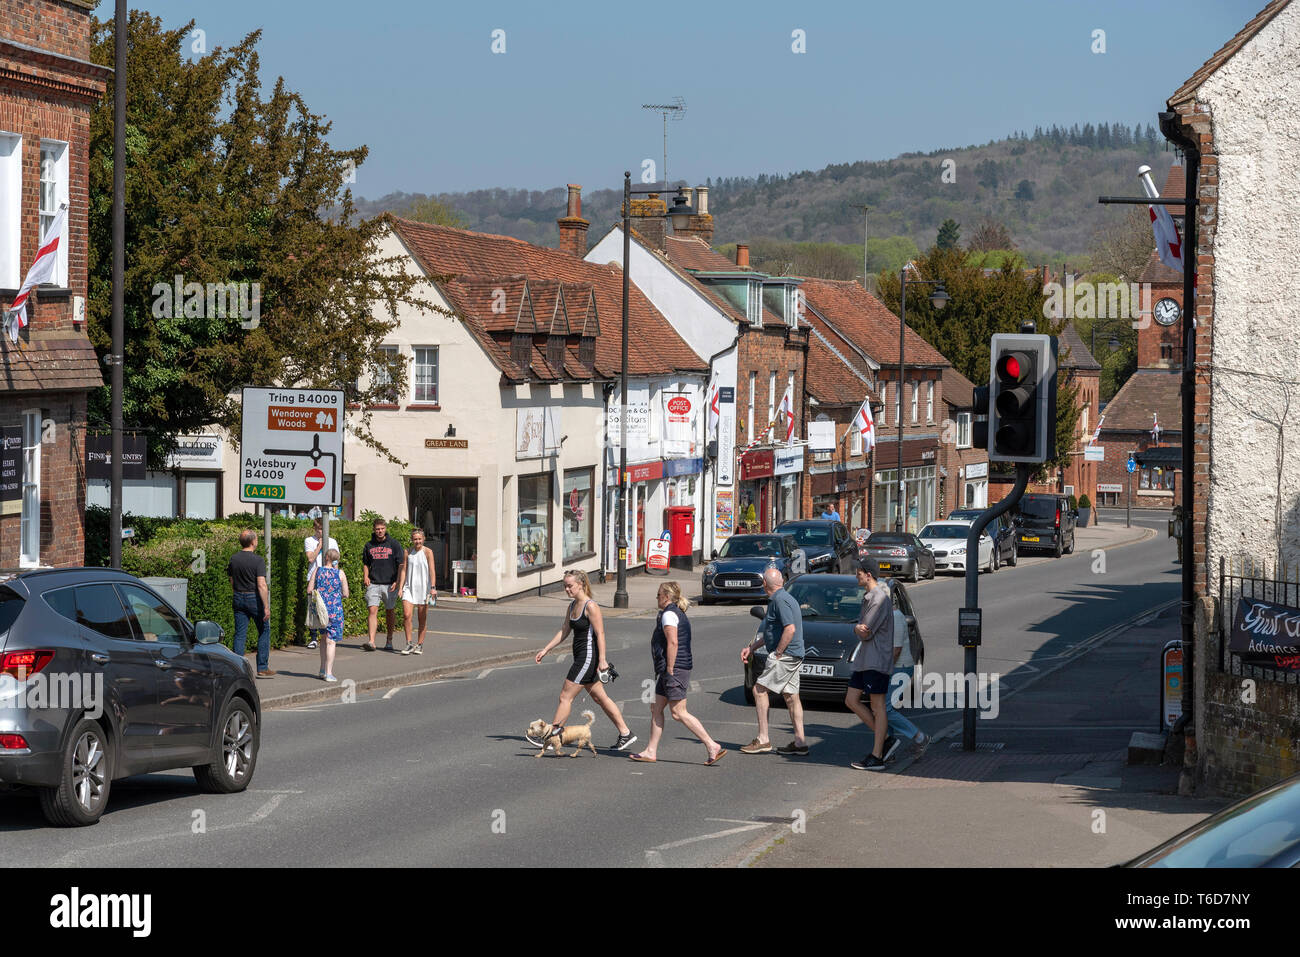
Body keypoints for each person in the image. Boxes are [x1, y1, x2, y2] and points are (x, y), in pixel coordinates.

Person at [533, 569, 636, 752]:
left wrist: (602, 660)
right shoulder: (572, 606)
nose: (567, 589)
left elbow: (600, 634)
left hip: (588, 658)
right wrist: (546, 649)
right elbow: (564, 630)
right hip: (580, 656)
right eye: (565, 586)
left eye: (570, 586)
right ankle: (626, 733)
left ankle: (552, 737)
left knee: (565, 696)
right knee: (600, 697)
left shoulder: (591, 606)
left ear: (580, 584)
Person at [629, 581, 726, 765]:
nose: (656, 598)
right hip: (669, 668)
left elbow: (673, 642)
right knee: (656, 708)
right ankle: (650, 750)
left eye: (658, 595)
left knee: (678, 712)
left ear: (666, 597)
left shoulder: (669, 615)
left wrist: (670, 668)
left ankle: (711, 745)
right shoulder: (674, 613)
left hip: (674, 668)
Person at [739, 567, 808, 755]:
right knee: (791, 697)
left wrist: (778, 653)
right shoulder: (782, 598)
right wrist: (752, 647)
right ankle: (800, 743)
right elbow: (772, 632)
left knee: (759, 690)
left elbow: (790, 629)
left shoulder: (780, 600)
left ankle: (763, 739)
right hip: (792, 654)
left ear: (764, 584)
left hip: (786, 655)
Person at [847, 561, 899, 771]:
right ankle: (885, 739)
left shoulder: (878, 599)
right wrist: (856, 628)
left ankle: (877, 756)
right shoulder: (869, 597)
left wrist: (856, 629)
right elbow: (860, 629)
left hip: (876, 660)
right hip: (865, 659)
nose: (856, 577)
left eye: (858, 574)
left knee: (878, 706)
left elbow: (865, 631)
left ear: (868, 575)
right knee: (851, 700)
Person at [227, 529, 275, 678]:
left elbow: (231, 580)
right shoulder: (258, 560)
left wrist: (237, 592)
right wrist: (266, 606)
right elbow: (261, 585)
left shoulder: (233, 559)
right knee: (264, 630)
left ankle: (237, 668)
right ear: (253, 542)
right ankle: (262, 667)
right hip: (253, 598)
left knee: (240, 634)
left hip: (238, 597)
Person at [886, 592, 929, 755]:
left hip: (899, 667)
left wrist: (885, 669)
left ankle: (919, 737)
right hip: (894, 667)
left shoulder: (896, 617)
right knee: (882, 709)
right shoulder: (887, 616)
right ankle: (887, 745)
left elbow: (896, 650)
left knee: (885, 708)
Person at [361, 518, 405, 651]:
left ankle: (389, 640)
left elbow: (401, 564)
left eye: (382, 529)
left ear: (385, 529)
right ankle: (371, 641)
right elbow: (365, 563)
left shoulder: (394, 544)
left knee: (389, 611)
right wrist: (365, 576)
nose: (380, 531)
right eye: (377, 529)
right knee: (372, 610)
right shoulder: (369, 545)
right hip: (374, 583)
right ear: (374, 530)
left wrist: (397, 581)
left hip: (389, 584)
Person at [308, 548, 349, 682]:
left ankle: (321, 669)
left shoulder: (317, 570)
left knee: (323, 639)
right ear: (336, 559)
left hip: (320, 610)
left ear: (326, 557)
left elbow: (309, 589)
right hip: (335, 610)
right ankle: (329, 673)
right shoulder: (340, 573)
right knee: (331, 642)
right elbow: (346, 593)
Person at [304, 516, 339, 649]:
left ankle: (328, 635)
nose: (321, 532)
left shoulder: (332, 541)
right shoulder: (309, 541)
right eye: (319, 529)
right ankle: (313, 637)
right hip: (314, 577)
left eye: (323, 529)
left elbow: (336, 561)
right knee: (313, 607)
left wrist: (336, 578)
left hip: (328, 579)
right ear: (315, 528)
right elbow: (310, 558)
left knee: (328, 607)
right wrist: (319, 546)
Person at [400, 528, 436, 655]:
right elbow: (404, 570)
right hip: (409, 588)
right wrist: (400, 587)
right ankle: (409, 643)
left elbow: (432, 570)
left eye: (419, 539)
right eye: (415, 539)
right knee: (407, 615)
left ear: (423, 539)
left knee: (422, 618)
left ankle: (419, 644)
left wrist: (433, 587)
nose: (417, 541)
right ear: (412, 540)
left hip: (423, 589)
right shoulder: (407, 551)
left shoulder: (428, 552)